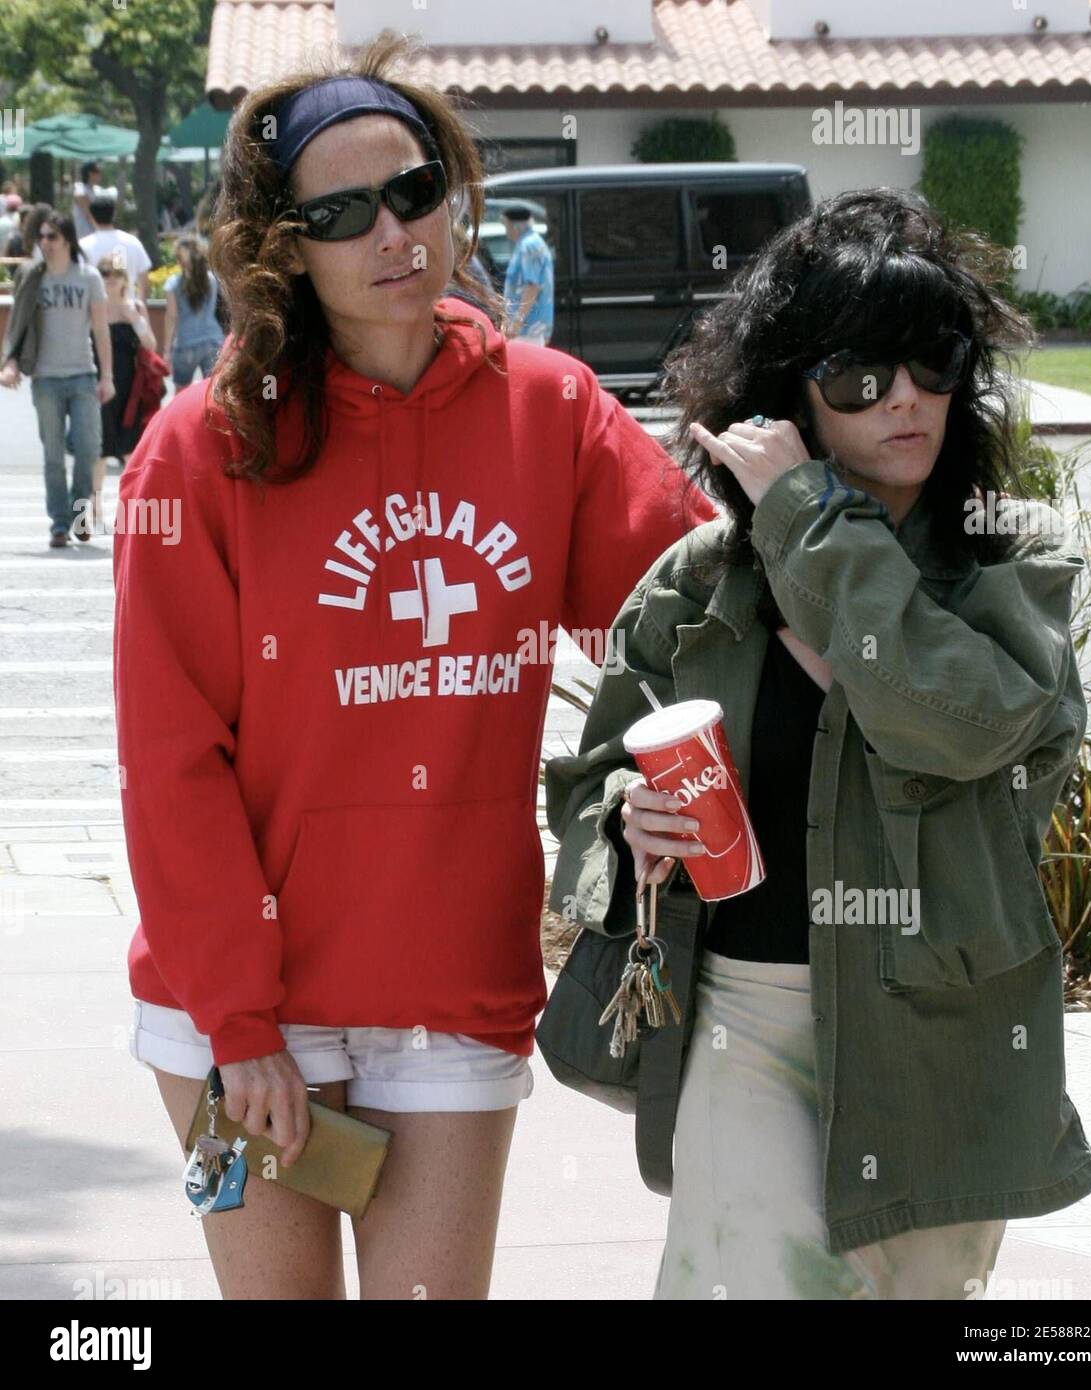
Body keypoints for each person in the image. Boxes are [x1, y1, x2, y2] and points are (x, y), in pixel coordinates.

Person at [112, 33, 717, 1301]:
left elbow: (690, 619)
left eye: (413, 189)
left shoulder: (549, 410)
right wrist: (239, 1024)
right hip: (245, 998)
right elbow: (171, 761)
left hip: (449, 975)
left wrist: (822, 520)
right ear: (285, 245)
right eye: (340, 212)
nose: (392, 232)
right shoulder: (204, 445)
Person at [545, 186, 1091, 1300]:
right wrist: (626, 821)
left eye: (933, 362)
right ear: (786, 399)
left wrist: (808, 520)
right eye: (859, 376)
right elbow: (589, 782)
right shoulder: (702, 585)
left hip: (944, 1028)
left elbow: (960, 726)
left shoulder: (1003, 572)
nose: (905, 400)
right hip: (745, 1013)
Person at [0, 211, 114, 546]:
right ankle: (60, 524)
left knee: (89, 448)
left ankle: (80, 514)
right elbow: (17, 326)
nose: (45, 243)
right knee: (52, 455)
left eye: (52, 237)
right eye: (42, 237)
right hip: (46, 379)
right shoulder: (33, 277)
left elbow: (100, 329)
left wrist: (107, 376)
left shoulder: (88, 277)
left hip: (82, 375)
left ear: (67, 240)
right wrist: (10, 363)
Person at [92, 256, 157, 526]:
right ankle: (95, 507)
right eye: (105, 274)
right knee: (100, 449)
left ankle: (131, 505)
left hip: (130, 388)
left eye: (116, 274)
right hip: (100, 384)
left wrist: (135, 319)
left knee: (131, 448)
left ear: (124, 278)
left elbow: (151, 345)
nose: (110, 279)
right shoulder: (94, 308)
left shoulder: (135, 306)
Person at [161, 235, 225, 393]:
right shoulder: (212, 279)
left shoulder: (173, 283)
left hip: (185, 343)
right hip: (213, 341)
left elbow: (172, 317)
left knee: (180, 395)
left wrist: (166, 351)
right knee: (212, 393)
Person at [80, 194, 152, 306]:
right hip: (128, 312)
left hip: (97, 315)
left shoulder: (83, 246)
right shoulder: (132, 242)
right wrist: (139, 307)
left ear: (91, 216)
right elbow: (145, 284)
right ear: (114, 214)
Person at [502, 205, 554, 345]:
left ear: (516, 226)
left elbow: (532, 286)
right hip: (528, 328)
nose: (506, 231)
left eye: (506, 225)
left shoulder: (529, 246)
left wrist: (517, 322)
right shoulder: (529, 243)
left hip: (528, 329)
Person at [71, 160, 106, 241]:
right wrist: (101, 232)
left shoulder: (96, 190)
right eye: (98, 172)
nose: (100, 174)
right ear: (90, 173)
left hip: (96, 236)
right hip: (85, 237)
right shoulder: (80, 190)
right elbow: (89, 215)